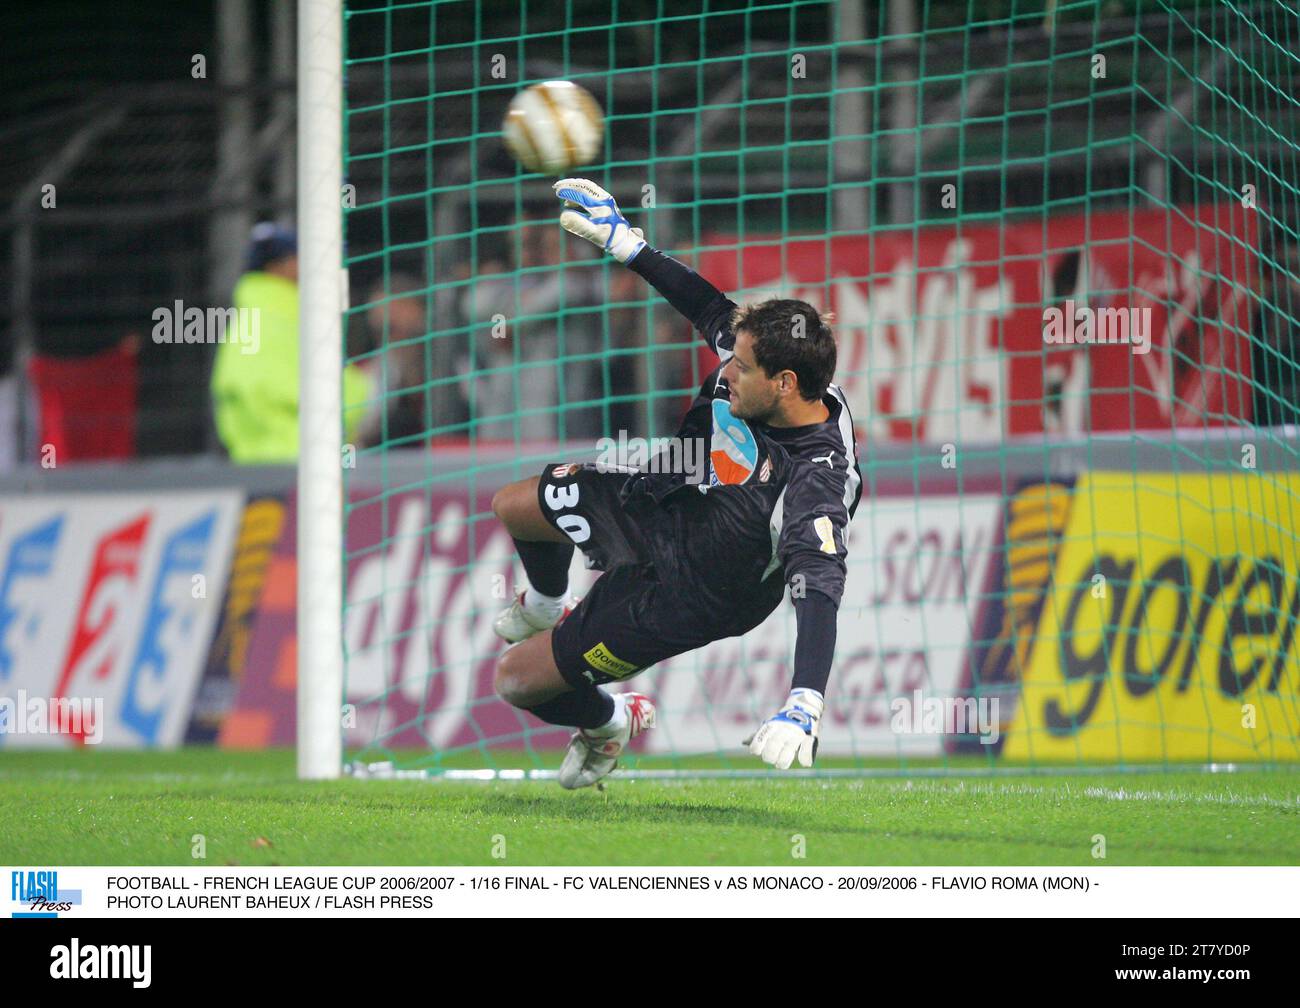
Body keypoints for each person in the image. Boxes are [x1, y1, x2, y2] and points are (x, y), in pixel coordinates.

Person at [490, 179, 862, 789]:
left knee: (517, 681)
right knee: (514, 505)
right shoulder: (757, 360)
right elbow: (709, 307)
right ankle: (548, 603)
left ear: (786, 384)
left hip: (698, 589)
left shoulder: (816, 477)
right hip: (669, 498)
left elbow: (817, 589)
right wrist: (627, 245)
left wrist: (805, 703)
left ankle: (609, 721)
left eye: (741, 367)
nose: (727, 370)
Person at [211, 223, 372, 462]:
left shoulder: (255, 318)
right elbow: (335, 395)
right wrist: (365, 390)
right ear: (281, 267)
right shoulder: (278, 320)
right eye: (298, 258)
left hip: (261, 467)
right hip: (298, 464)